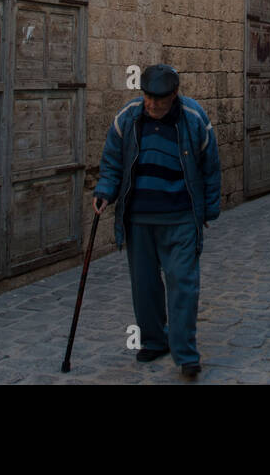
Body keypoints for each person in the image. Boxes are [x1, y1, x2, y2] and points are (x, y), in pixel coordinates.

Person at [92, 64, 221, 378]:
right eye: (148, 97)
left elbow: (210, 166)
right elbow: (112, 161)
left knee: (183, 285)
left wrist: (209, 209)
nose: (152, 105)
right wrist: (105, 191)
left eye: (159, 100)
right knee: (145, 286)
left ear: (174, 95)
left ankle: (186, 354)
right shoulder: (128, 118)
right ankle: (153, 340)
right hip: (139, 218)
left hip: (180, 217)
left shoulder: (194, 118)